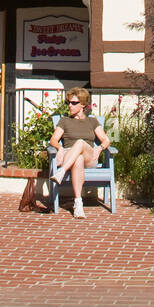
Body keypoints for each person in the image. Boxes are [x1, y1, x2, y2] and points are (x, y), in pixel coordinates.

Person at [48, 87, 110, 218]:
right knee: (78, 159)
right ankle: (78, 204)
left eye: (74, 103)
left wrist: (99, 148)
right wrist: (59, 148)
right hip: (70, 156)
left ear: (83, 105)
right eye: (68, 103)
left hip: (90, 157)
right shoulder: (64, 121)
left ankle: (62, 171)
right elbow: (53, 140)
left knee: (81, 143)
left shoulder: (92, 121)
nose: (70, 105)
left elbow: (106, 140)